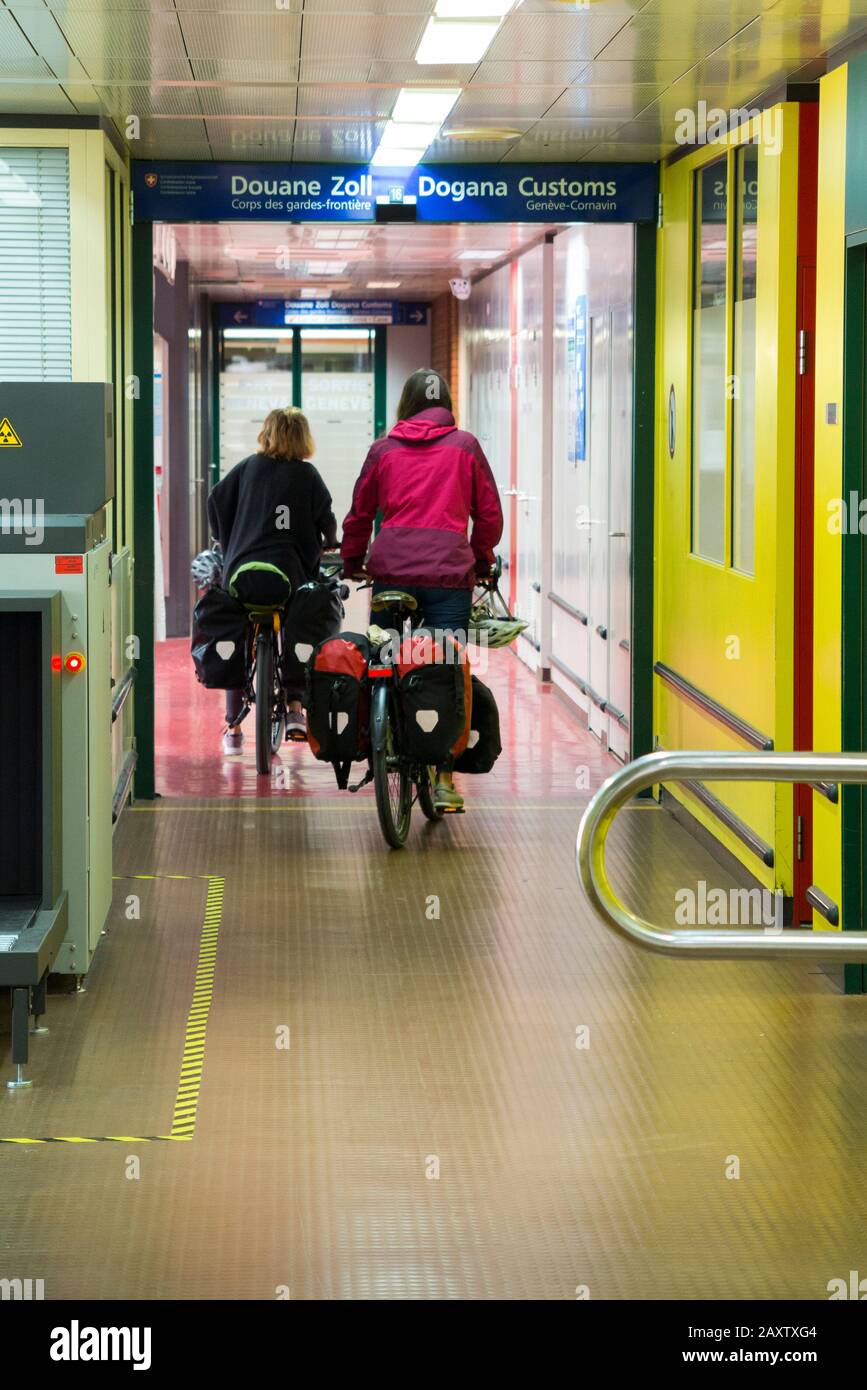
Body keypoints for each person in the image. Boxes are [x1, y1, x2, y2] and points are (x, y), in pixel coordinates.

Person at [341, 368, 503, 812]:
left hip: (391, 572)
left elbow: (358, 515)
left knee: (386, 656)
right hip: (449, 577)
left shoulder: (383, 449)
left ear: (405, 405)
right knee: (448, 667)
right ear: (446, 403)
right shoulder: (465, 446)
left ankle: (383, 731)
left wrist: (354, 562)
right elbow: (488, 515)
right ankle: (446, 778)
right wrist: (481, 557)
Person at [208, 406, 337, 754]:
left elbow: (215, 500)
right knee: (300, 620)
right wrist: (331, 543)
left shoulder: (247, 468)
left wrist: (226, 538)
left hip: (242, 572)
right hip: (290, 575)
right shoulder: (308, 475)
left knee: (237, 629)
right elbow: (327, 520)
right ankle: (295, 707)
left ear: (267, 433)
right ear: (302, 438)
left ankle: (233, 727)